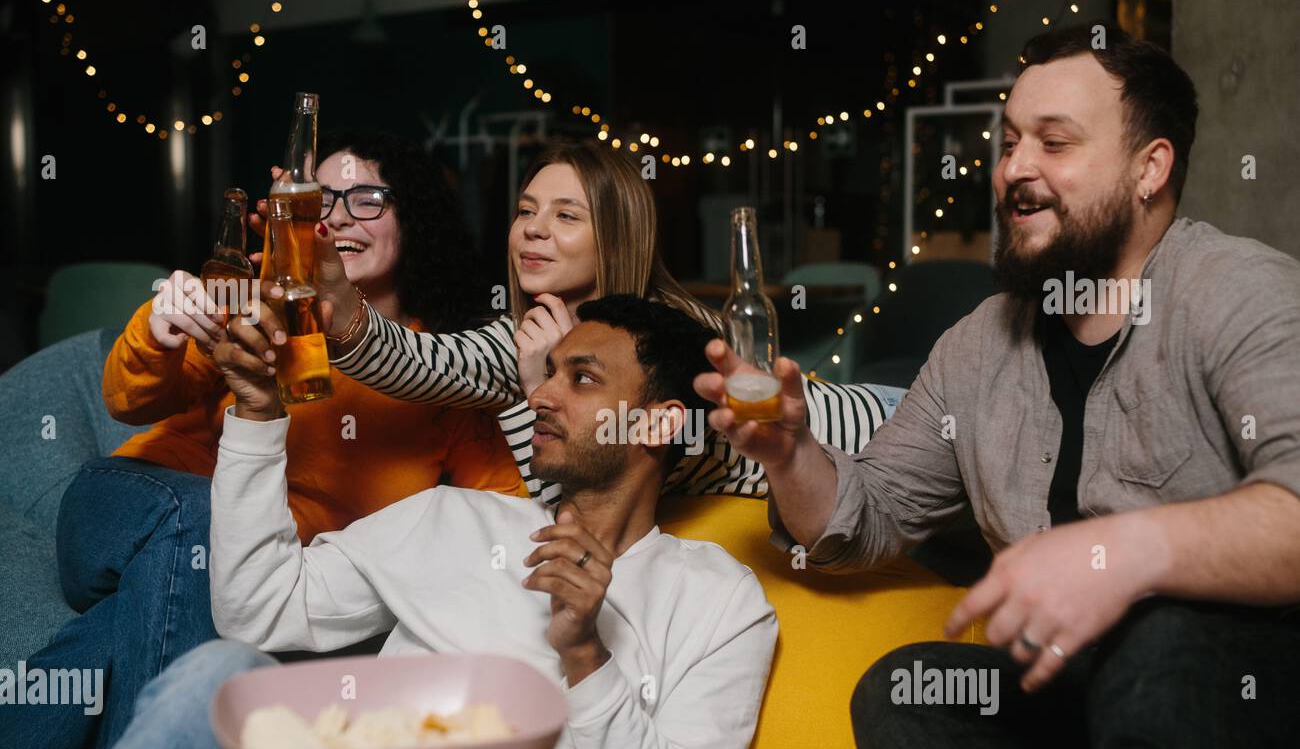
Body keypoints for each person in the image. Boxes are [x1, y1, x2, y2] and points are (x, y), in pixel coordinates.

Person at [696, 22, 1300, 749]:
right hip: (1072, 688)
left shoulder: (1237, 292)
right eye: (1010, 142)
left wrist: (1122, 556)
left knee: (1159, 640)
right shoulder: (981, 346)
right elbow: (863, 520)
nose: (1016, 168)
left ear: (1149, 169)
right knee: (907, 691)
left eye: (1055, 143)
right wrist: (791, 455)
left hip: (1243, 685)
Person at [47, 294, 779, 749]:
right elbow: (256, 609)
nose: (543, 395)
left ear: (656, 424)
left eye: (580, 378)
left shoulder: (720, 598)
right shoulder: (453, 520)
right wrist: (260, 415)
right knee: (219, 671)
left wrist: (588, 657)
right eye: (547, 372)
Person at [1, 131, 528, 749]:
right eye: (326, 199)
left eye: (367, 197)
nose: (340, 217)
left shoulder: (443, 379)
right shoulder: (260, 304)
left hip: (236, 582)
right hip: (124, 508)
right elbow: (127, 398)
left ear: (417, 221)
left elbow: (502, 524)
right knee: (207, 524)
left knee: (117, 640)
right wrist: (156, 329)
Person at [269, 137, 906, 506]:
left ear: (615, 237)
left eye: (566, 216)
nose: (534, 230)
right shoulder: (517, 338)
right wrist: (334, 295)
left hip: (880, 429)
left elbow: (602, 486)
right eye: (526, 211)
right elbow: (418, 362)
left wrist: (528, 393)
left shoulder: (669, 335)